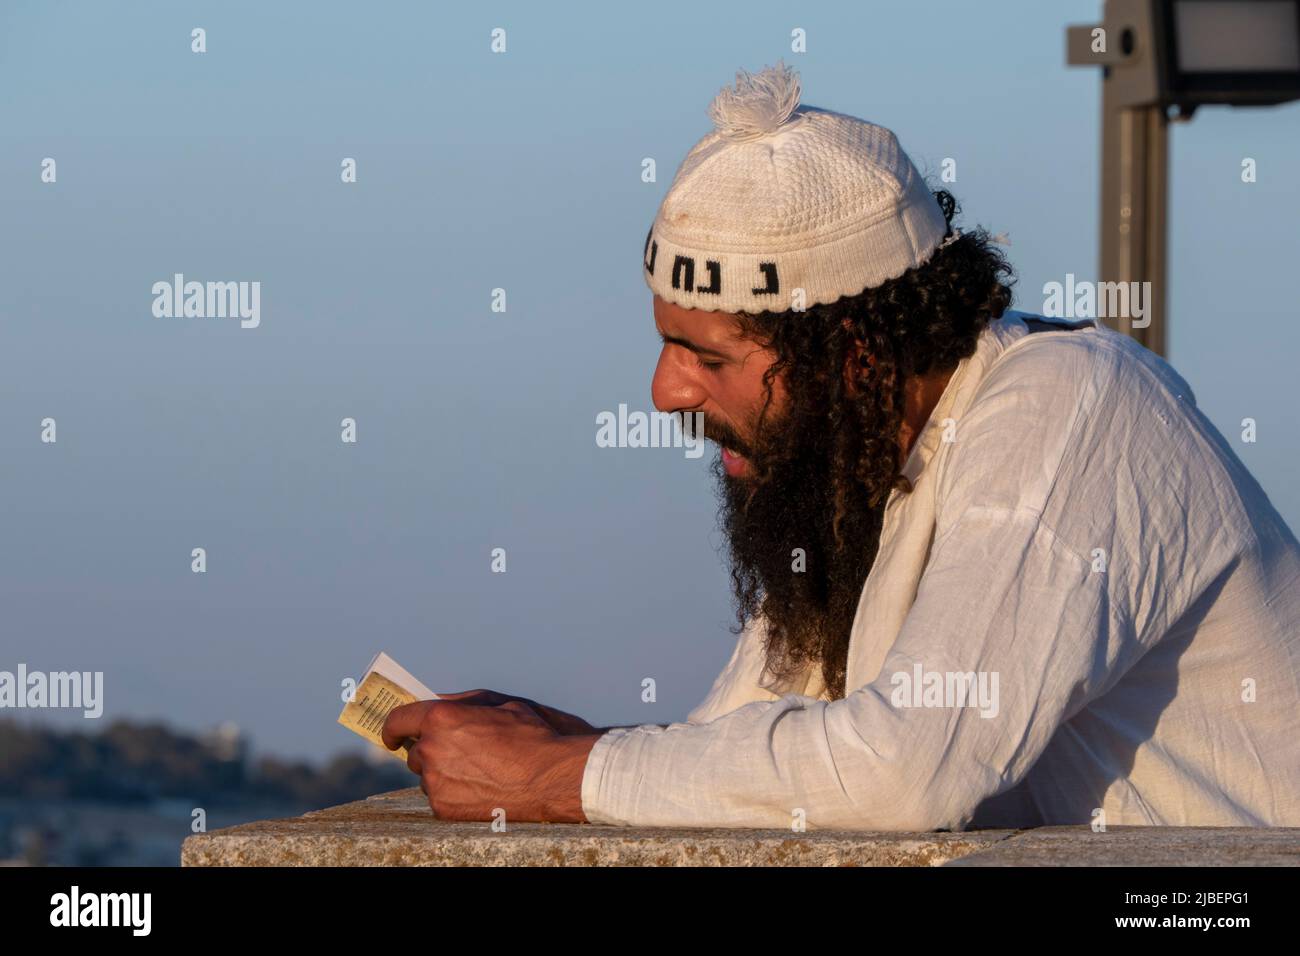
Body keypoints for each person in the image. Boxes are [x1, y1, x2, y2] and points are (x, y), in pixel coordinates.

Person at [382, 61, 1300, 830]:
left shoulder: (1072, 407)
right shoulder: (857, 468)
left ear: (853, 359)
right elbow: (760, 747)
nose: (665, 394)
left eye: (708, 355)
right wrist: (570, 749)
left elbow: (902, 770)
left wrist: (560, 777)